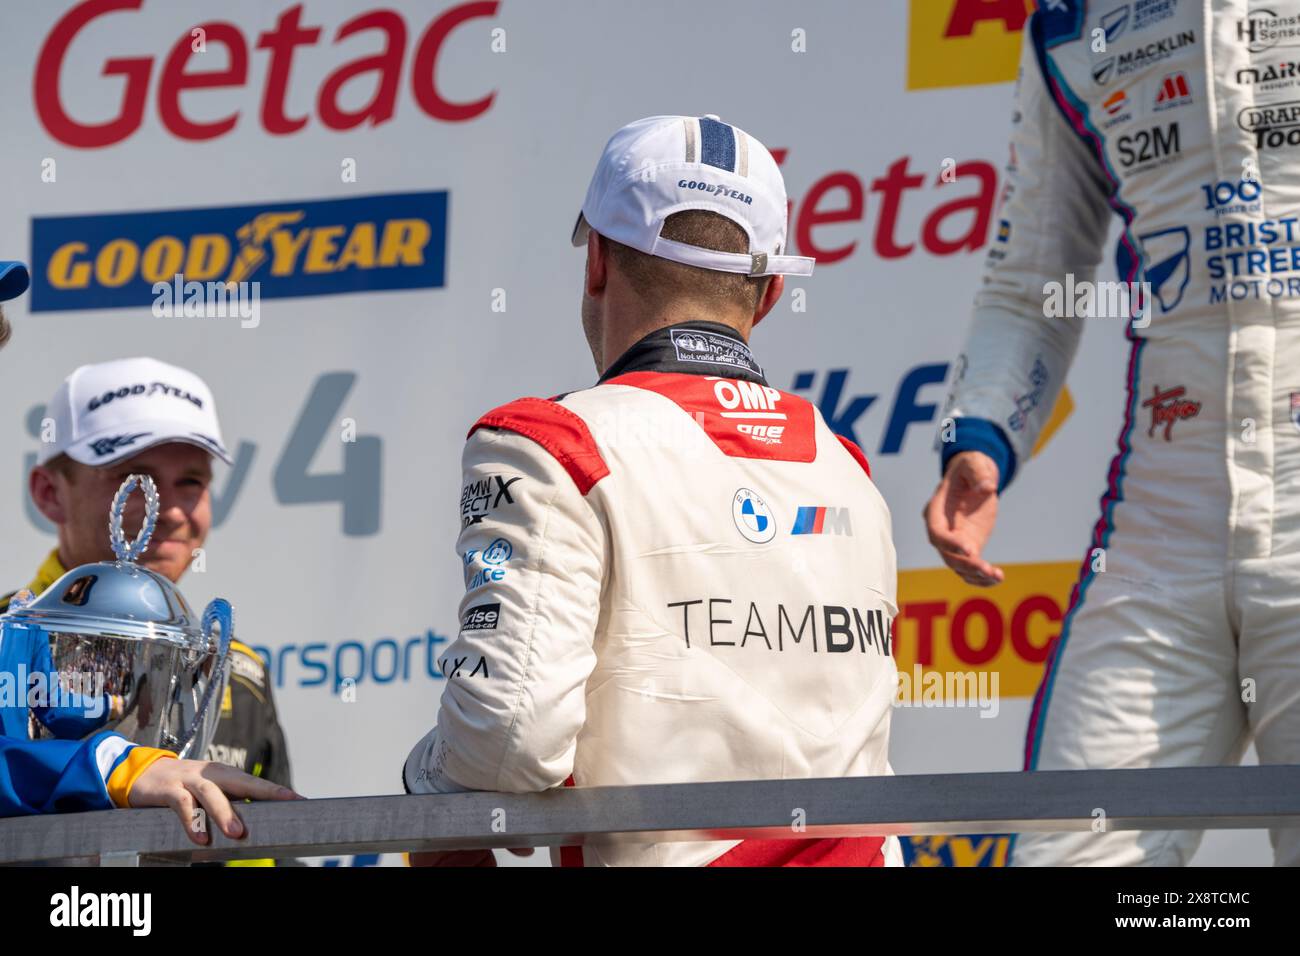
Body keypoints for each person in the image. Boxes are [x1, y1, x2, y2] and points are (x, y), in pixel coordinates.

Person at [404, 114, 902, 867]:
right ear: (767, 295)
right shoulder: (850, 472)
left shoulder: (553, 446)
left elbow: (506, 743)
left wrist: (423, 781)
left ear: (597, 262)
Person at [923, 0, 1300, 865]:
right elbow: (1032, 284)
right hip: (1162, 532)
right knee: (1071, 854)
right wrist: (979, 435)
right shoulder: (1069, 20)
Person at [1, 355, 300, 842]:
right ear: (49, 492)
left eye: (192, 482)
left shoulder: (241, 670)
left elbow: (266, 850)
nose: (171, 510)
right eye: (134, 479)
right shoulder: (5, 642)